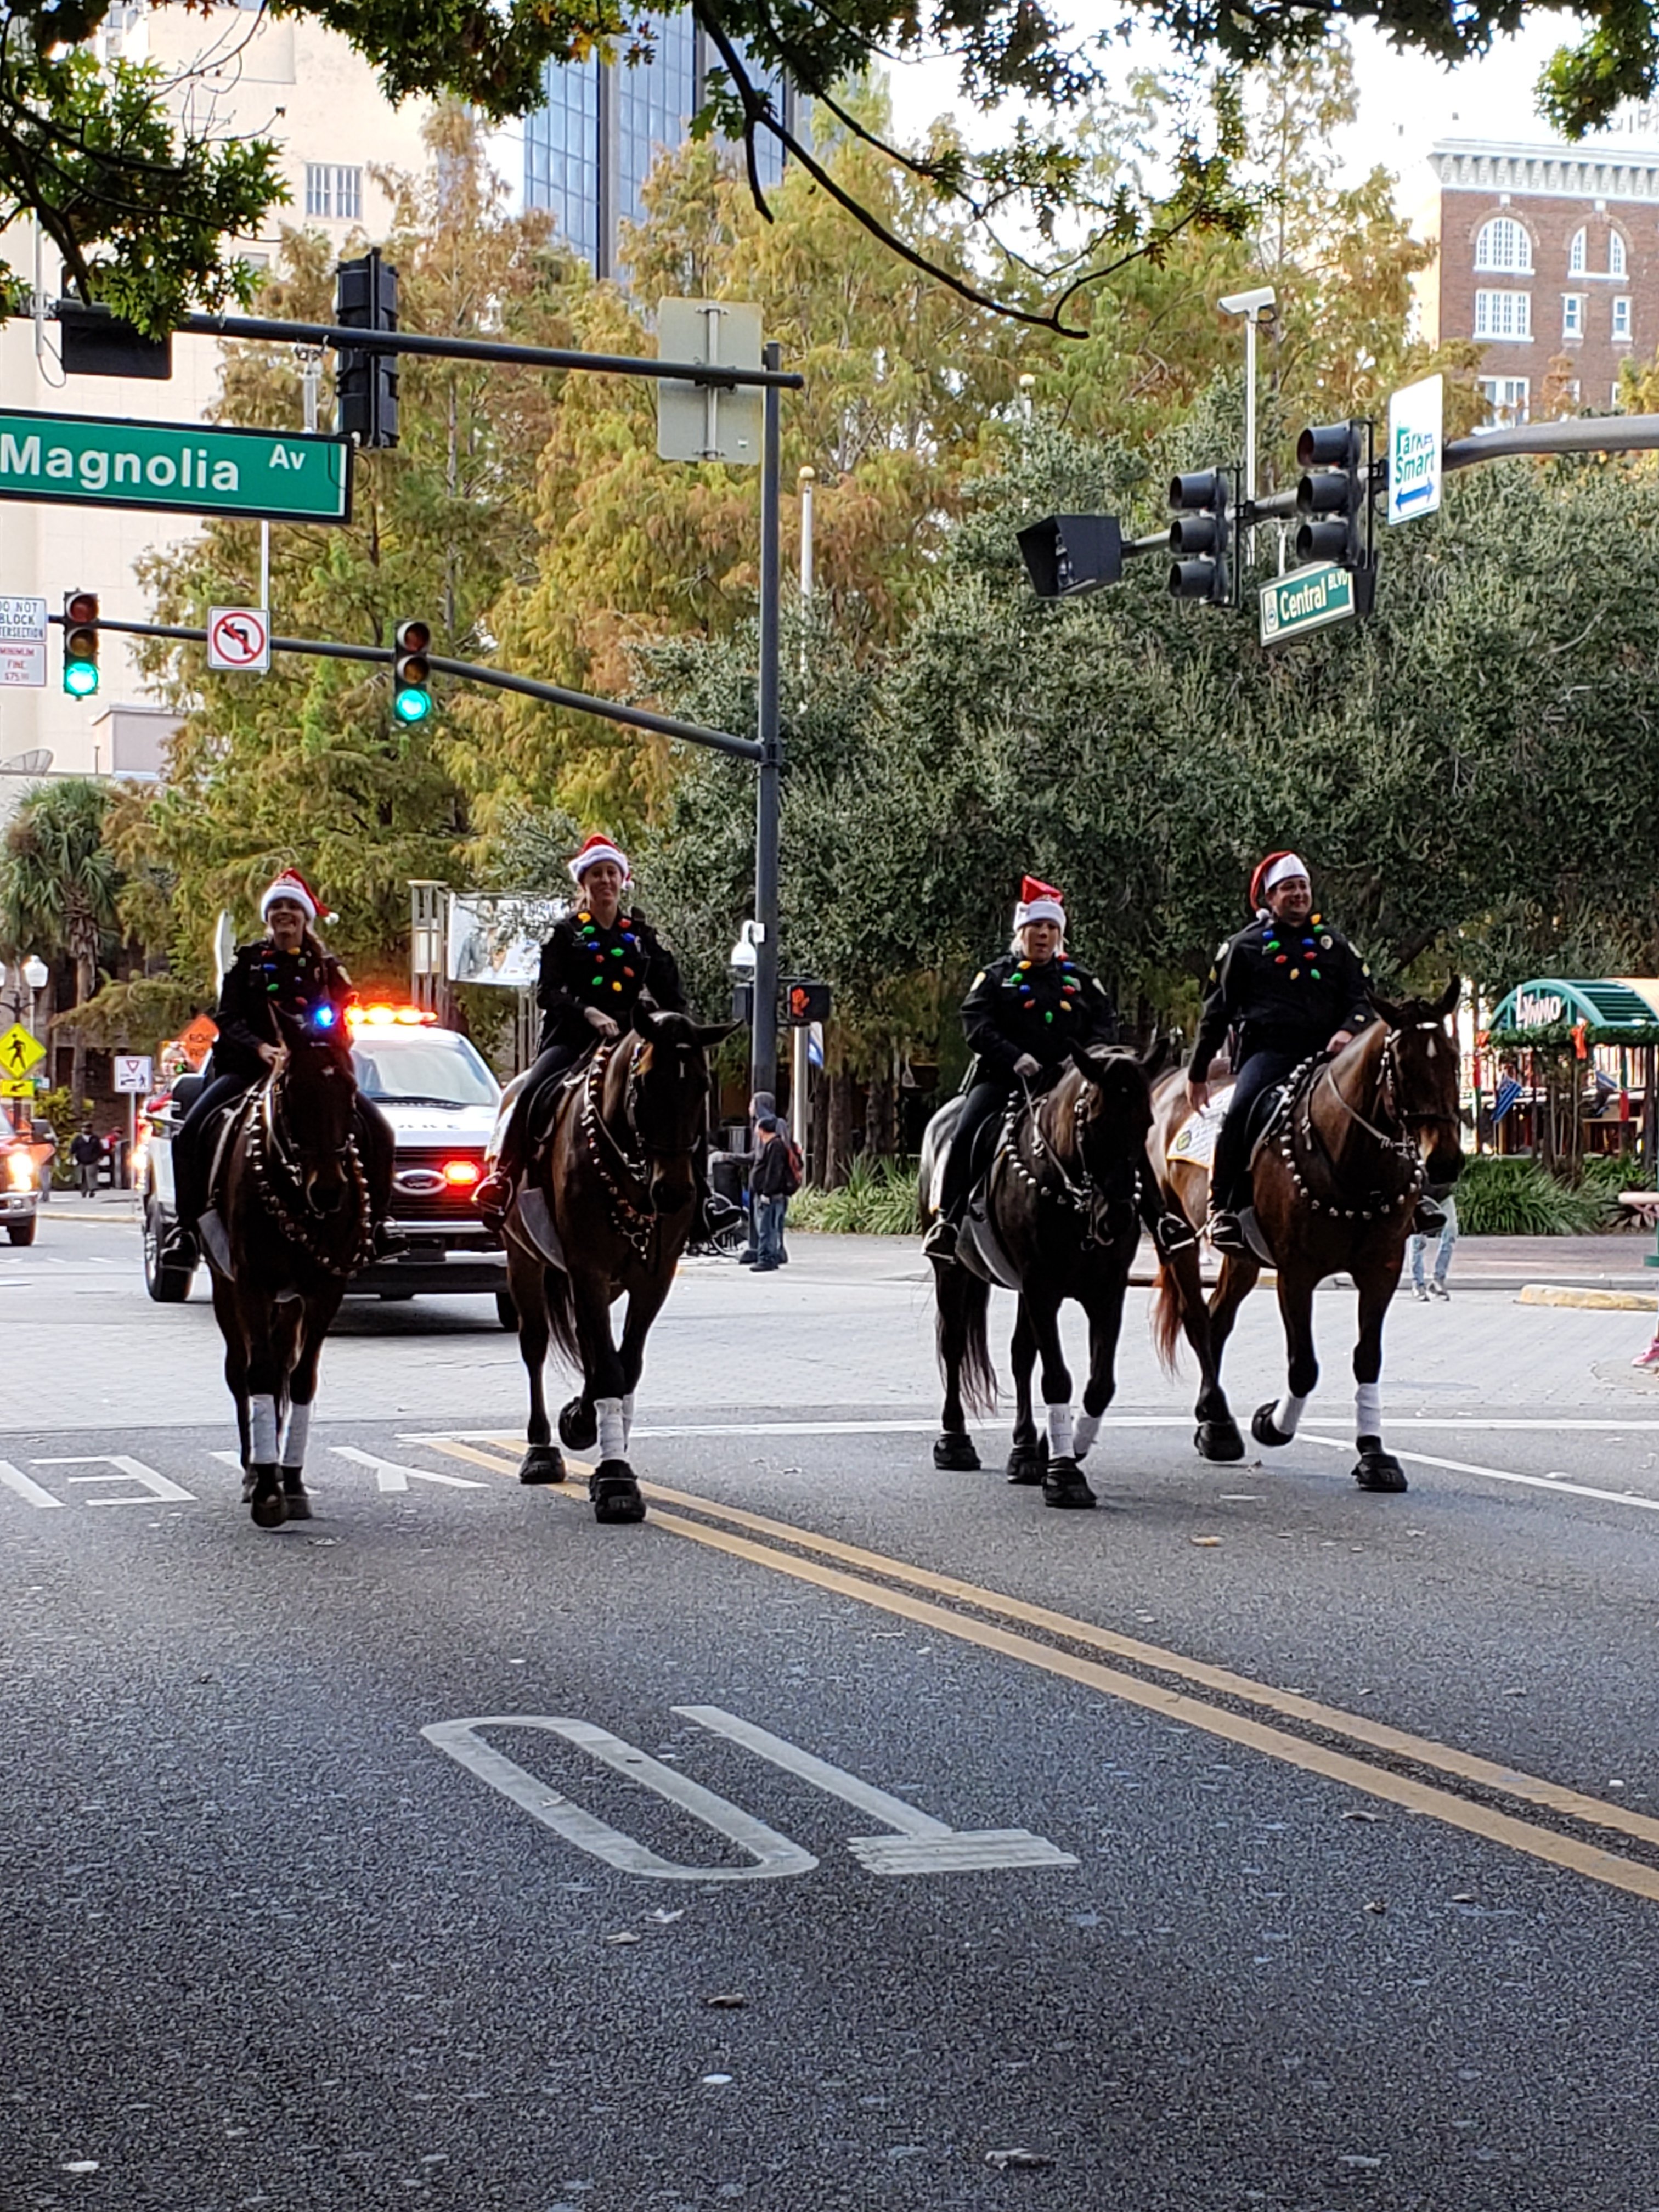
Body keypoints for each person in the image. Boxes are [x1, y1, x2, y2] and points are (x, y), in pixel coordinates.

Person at [475, 834, 738, 1241]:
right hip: (573, 1037)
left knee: (682, 1098)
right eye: (596, 874)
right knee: (531, 1091)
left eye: (611, 873)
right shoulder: (566, 934)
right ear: (584, 882)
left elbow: (673, 993)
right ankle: (504, 1180)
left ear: (622, 880)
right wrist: (588, 1011)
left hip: (634, 1037)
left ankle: (702, 1200)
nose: (605, 881)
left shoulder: (639, 936)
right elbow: (549, 992)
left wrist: (671, 1026)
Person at [923, 877, 1193, 1263]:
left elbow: (1105, 1024)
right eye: (1036, 928)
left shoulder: (1082, 981)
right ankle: (948, 1222)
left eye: (1051, 928)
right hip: (1006, 1080)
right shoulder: (996, 977)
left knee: (1123, 1134)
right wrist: (1015, 1056)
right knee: (968, 1132)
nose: (1044, 935)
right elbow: (977, 1024)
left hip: (1071, 1083)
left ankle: (1160, 1219)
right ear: (1022, 932)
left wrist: (1085, 1061)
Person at [160, 871, 396, 1269]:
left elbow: (342, 1018)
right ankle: (186, 1231)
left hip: (313, 1072)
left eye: (292, 908)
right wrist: (261, 1048)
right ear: (268, 919)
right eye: (278, 908)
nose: (285, 914)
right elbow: (228, 1018)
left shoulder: (327, 970)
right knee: (192, 1132)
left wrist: (324, 1045)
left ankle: (379, 1224)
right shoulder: (247, 965)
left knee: (381, 1131)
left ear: (305, 918)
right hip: (248, 1072)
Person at [1186, 851, 1379, 1257]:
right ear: (1268, 897)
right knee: (1240, 1113)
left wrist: (1348, 1031)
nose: (1298, 894)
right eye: (1288, 888)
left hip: (1332, 1056)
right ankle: (1223, 1208)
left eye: (1303, 886)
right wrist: (1198, 1071)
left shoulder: (1337, 945)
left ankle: (1411, 1198)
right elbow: (1216, 1013)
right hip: (1271, 1054)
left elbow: (1363, 999)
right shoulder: (1243, 947)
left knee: (1387, 1104)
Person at [738, 1090, 790, 1267]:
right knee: (772, 1220)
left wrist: (767, 1189)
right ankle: (774, 1250)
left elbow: (765, 1160)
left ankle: (769, 1254)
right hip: (770, 1185)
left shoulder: (771, 1131)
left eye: (753, 1103)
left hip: (770, 1186)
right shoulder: (773, 1126)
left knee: (768, 1222)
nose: (750, 1108)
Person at [748, 1111, 797, 1272]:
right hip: (771, 1194)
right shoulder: (775, 1145)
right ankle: (771, 1255)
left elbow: (773, 1172)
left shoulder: (775, 1146)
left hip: (770, 1195)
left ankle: (767, 1258)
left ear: (762, 1130)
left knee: (767, 1227)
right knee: (769, 1226)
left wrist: (766, 1192)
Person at [1409, 1191, 1458, 1300]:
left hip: (1444, 1196)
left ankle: (1438, 1280)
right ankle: (1418, 1284)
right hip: (1422, 1196)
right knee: (1419, 1239)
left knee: (1451, 1232)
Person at [70, 1126, 101, 1198]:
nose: (86, 1130)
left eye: (88, 1128)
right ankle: (84, 1191)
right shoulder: (78, 1139)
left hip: (92, 1161)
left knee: (91, 1176)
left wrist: (98, 1157)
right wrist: (73, 1158)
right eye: (84, 1128)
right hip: (80, 1161)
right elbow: (73, 1149)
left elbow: (99, 1149)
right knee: (82, 1177)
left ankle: (92, 1190)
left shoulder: (95, 1139)